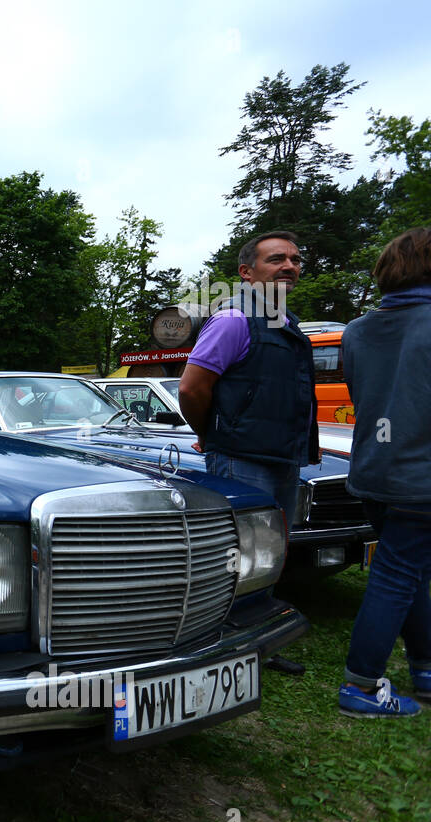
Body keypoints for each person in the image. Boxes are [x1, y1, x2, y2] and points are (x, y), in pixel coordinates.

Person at [178, 231, 319, 676]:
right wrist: (213, 433)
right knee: (236, 556)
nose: (290, 266)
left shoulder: (287, 322)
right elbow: (191, 388)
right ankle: (217, 647)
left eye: (295, 260)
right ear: (246, 272)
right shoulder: (234, 319)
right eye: (276, 259)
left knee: (268, 554)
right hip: (241, 457)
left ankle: (259, 643)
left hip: (282, 458)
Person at [336, 227, 431, 717]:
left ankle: (427, 668)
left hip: (373, 471)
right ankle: (360, 685)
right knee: (398, 573)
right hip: (422, 477)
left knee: (410, 570)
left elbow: (368, 400)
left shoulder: (356, 331)